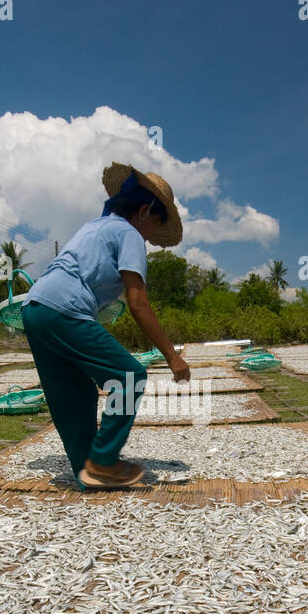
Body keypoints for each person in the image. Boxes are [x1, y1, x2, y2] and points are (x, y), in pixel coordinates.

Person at [21, 162, 191, 489]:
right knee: (129, 376)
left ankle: (88, 474)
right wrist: (172, 356)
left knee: (74, 394)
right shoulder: (129, 233)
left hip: (35, 308)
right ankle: (103, 461)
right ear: (144, 210)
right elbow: (138, 303)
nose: (153, 234)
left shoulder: (96, 227)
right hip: (63, 310)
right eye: (157, 223)